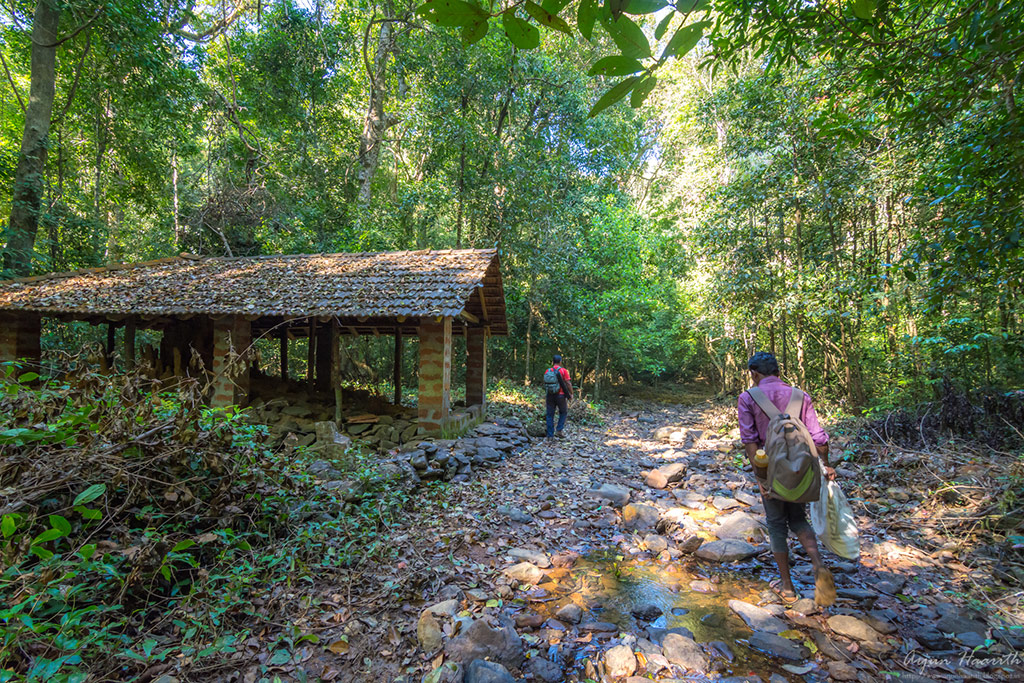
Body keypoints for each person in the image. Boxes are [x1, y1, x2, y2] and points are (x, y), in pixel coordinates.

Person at [737, 351, 837, 604]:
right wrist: (825, 466)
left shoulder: (748, 398)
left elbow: (750, 440)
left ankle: (787, 586)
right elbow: (819, 437)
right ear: (779, 373)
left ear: (755, 374)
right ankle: (818, 566)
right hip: (802, 468)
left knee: (776, 523)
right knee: (798, 518)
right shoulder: (800, 396)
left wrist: (761, 477)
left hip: (771, 467)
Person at [544, 354, 573, 439]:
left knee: (549, 415)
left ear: (552, 362)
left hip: (549, 395)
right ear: (560, 362)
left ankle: (550, 435)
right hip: (560, 395)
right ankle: (559, 430)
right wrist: (571, 393)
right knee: (563, 412)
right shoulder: (563, 371)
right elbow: (568, 383)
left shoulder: (547, 371)